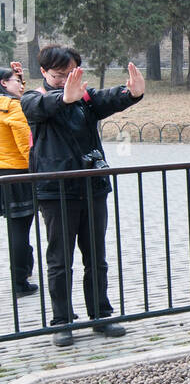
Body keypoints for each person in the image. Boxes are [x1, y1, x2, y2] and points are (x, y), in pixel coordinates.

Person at [22, 45, 145, 347]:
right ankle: (62, 322)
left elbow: (106, 98)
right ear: (43, 72)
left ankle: (101, 314)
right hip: (55, 192)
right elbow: (43, 107)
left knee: (96, 257)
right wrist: (64, 97)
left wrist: (132, 93)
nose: (66, 80)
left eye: (72, 74)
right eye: (58, 75)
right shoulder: (32, 99)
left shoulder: (85, 100)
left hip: (92, 187)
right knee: (59, 260)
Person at [0, 59, 37, 296]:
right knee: (20, 228)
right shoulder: (13, 107)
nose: (22, 85)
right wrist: (38, 170)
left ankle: (25, 269)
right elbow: (27, 144)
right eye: (17, 81)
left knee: (16, 227)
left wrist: (19, 77)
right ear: (3, 83)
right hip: (17, 173)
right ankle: (20, 282)